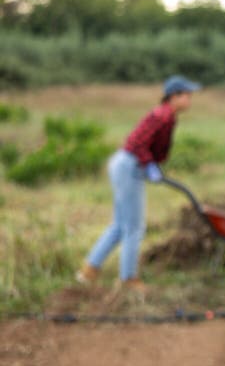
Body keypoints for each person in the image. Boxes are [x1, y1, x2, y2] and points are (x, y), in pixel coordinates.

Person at [76, 75, 201, 294]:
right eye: (186, 96)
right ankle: (128, 279)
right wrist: (148, 165)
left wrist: (152, 164)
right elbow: (139, 144)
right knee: (134, 227)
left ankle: (89, 271)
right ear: (173, 97)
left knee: (120, 225)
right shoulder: (163, 116)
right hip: (129, 166)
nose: (190, 100)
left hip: (127, 164)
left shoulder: (166, 115)